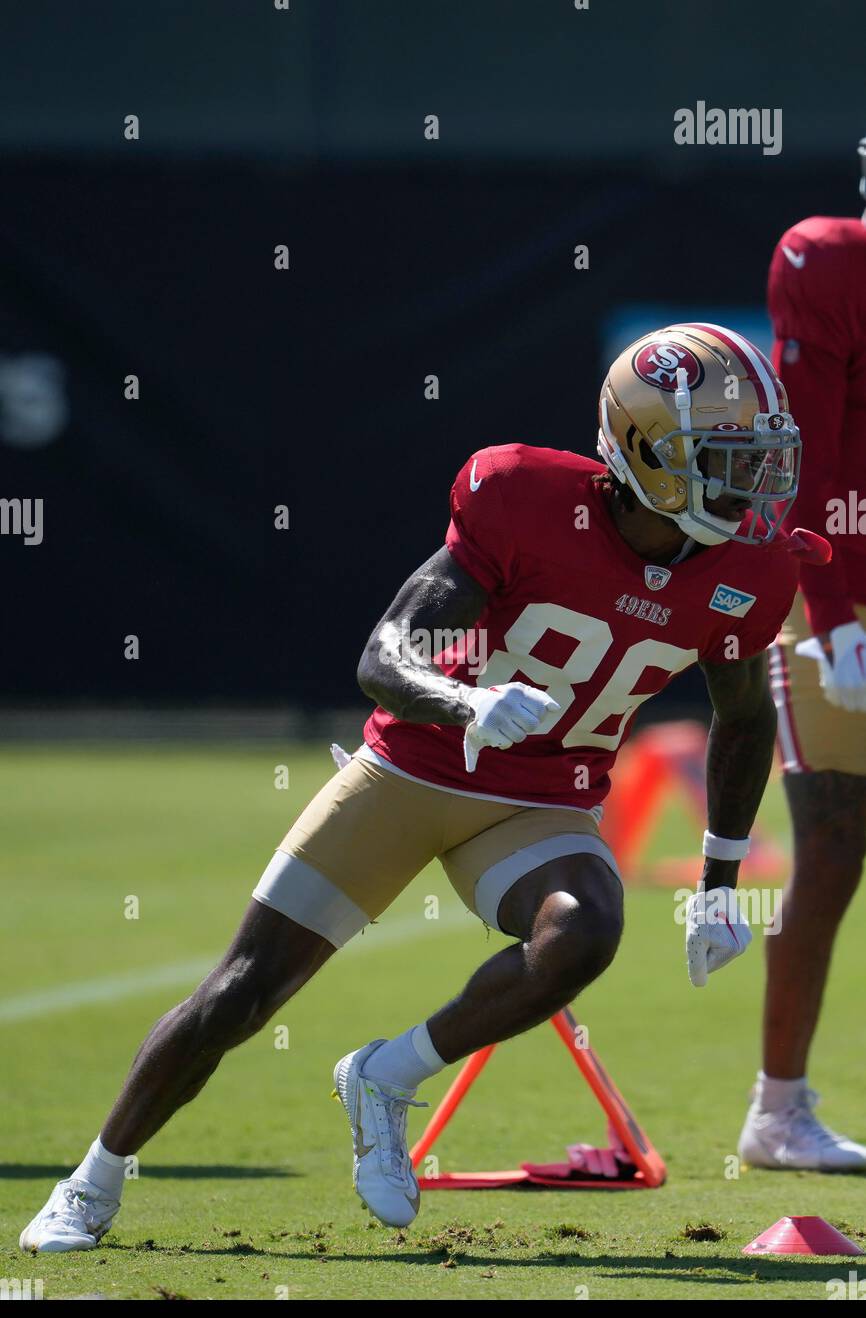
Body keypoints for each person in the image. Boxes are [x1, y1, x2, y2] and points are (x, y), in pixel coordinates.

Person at [22, 322, 818, 1249]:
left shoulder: (748, 572)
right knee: (240, 993)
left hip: (542, 800)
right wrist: (462, 701)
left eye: (758, 460)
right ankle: (91, 1180)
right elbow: (383, 654)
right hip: (415, 768)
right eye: (723, 460)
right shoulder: (525, 497)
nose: (750, 487)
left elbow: (746, 715)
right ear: (645, 451)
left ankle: (387, 1076)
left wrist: (719, 884)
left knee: (588, 929)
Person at [738, 139, 866, 1171]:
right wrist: (830, 610)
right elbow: (805, 455)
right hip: (841, 589)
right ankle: (777, 1111)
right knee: (829, 839)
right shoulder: (824, 260)